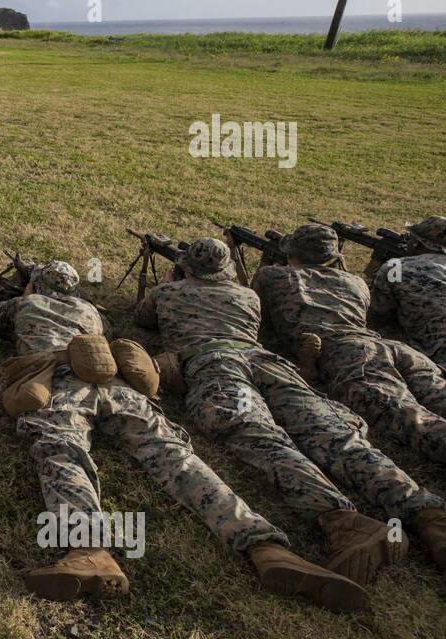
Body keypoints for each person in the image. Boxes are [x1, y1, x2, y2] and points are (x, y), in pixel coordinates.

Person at [0, 259, 367, 611]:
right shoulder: (93, 312)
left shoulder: (26, 304)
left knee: (62, 451)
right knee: (175, 456)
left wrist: (17, 293)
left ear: (36, 285)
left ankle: (88, 550)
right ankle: (265, 546)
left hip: (60, 385)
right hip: (119, 385)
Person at [137, 236, 444, 579]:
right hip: (271, 363)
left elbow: (143, 318)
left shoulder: (167, 293)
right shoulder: (248, 296)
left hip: (217, 364)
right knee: (332, 432)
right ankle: (426, 513)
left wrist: (170, 283)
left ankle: (342, 521)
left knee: (259, 435)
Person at [254, 223, 446, 469]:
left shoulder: (271, 276)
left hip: (352, 356)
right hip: (394, 348)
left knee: (404, 415)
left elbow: (257, 316)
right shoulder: (356, 281)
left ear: (293, 252)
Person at [369, 215, 446, 370]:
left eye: (410, 238)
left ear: (417, 243)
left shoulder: (396, 266)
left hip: (436, 363)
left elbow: (376, 315)